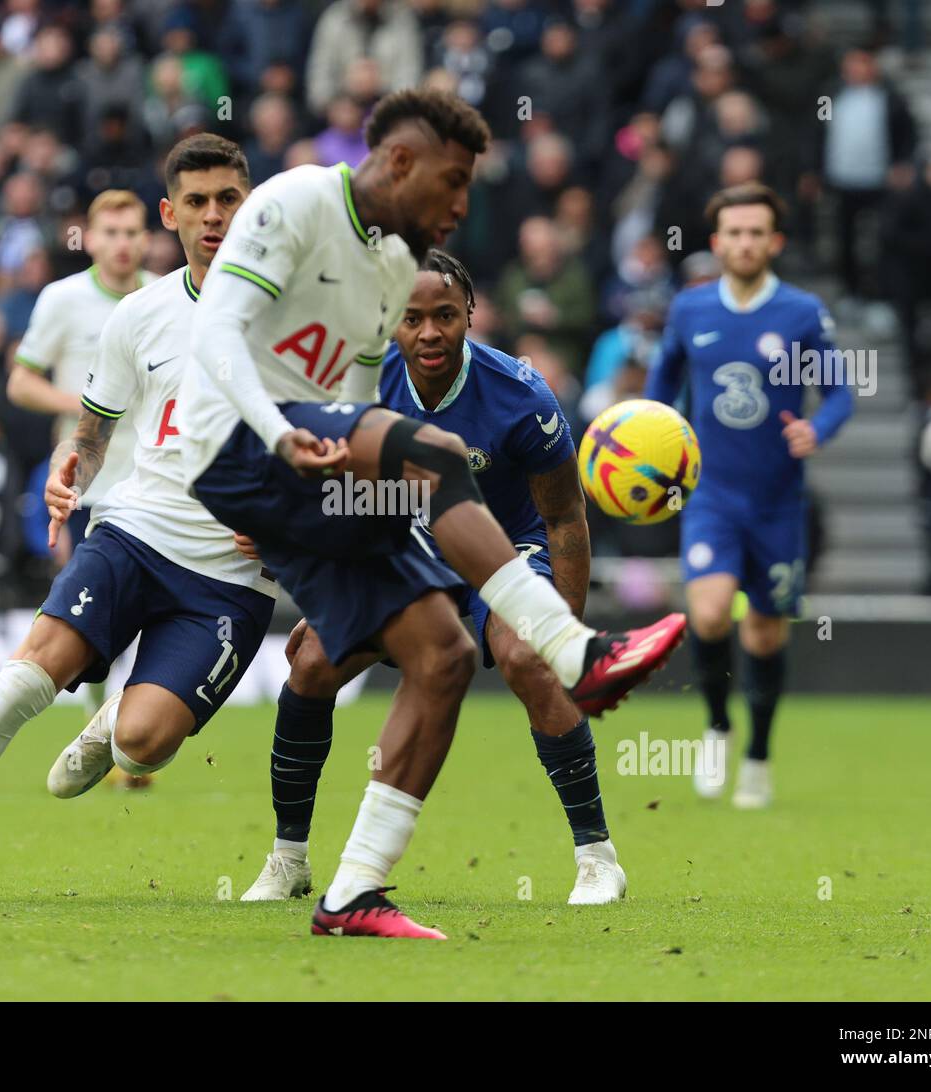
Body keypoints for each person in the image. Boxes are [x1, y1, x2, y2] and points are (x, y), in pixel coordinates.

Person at [177, 88, 685, 938]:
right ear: (401, 162)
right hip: (236, 438)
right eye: (453, 184)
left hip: (344, 482)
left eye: (468, 192)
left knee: (443, 658)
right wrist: (282, 442)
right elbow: (217, 337)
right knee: (434, 455)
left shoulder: (392, 273)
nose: (460, 207)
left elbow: (348, 401)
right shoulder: (294, 199)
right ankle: (580, 656)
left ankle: (354, 894)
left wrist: (318, 493)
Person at [0, 135, 278, 903]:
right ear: (168, 213)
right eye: (198, 201)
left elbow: (337, 433)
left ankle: (112, 723)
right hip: (135, 529)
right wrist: (67, 463)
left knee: (143, 746)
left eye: (230, 199)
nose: (214, 216)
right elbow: (96, 418)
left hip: (230, 575)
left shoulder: (295, 318)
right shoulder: (138, 316)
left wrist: (292, 524)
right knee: (24, 677)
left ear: (252, 205)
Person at [238, 250, 629, 908]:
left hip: (507, 552)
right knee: (307, 661)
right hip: (405, 557)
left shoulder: (523, 396)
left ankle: (597, 859)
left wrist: (564, 629)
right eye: (411, 317)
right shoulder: (354, 386)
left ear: (470, 315)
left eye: (445, 316)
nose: (428, 333)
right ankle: (288, 859)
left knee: (524, 654)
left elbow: (564, 518)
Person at [645, 182, 853, 809]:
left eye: (755, 232)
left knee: (764, 631)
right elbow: (663, 384)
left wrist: (817, 428)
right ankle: (716, 726)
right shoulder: (690, 310)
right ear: (716, 242)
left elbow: (840, 390)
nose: (744, 242)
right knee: (708, 614)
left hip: (778, 502)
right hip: (712, 494)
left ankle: (758, 756)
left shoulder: (801, 313)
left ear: (774, 241)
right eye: (733, 233)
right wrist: (652, 434)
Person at [8, 189, 154, 555]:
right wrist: (89, 404)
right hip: (87, 487)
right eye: (110, 232)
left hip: (154, 486)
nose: (122, 242)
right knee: (87, 609)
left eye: (131, 232)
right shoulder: (62, 298)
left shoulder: (164, 295)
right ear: (89, 239)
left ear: (146, 239)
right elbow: (20, 383)